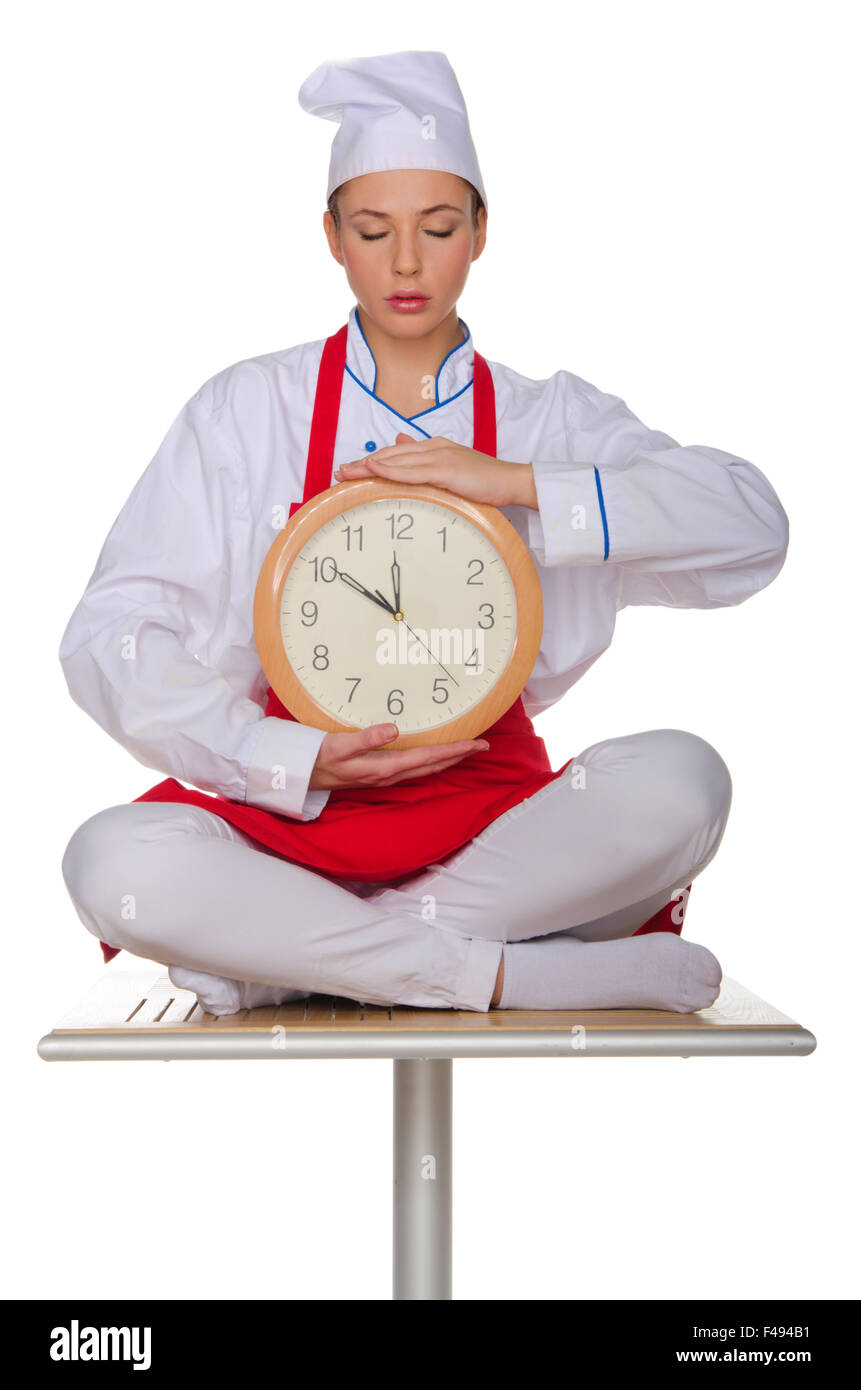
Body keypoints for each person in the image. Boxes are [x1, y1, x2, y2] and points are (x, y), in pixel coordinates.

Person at [58, 51, 788, 1016]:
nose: (405, 262)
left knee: (685, 782)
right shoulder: (248, 411)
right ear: (331, 237)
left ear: (481, 232)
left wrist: (519, 484)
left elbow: (751, 528)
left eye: (438, 227)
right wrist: (281, 752)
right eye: (373, 230)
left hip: (493, 819)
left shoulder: (546, 418)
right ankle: (499, 971)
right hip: (291, 816)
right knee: (111, 861)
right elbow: (109, 634)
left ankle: (297, 958)